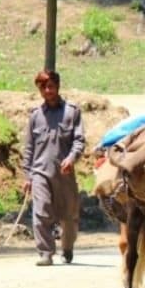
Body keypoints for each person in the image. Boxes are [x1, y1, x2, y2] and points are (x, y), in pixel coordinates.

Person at [22, 70, 86, 267]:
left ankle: (67, 248)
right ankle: (45, 252)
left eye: (51, 86)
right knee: (41, 212)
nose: (48, 91)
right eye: (43, 87)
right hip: (40, 172)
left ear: (58, 86)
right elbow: (29, 147)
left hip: (64, 173)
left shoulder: (72, 112)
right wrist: (27, 175)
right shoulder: (35, 116)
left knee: (69, 216)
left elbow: (79, 140)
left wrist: (71, 158)